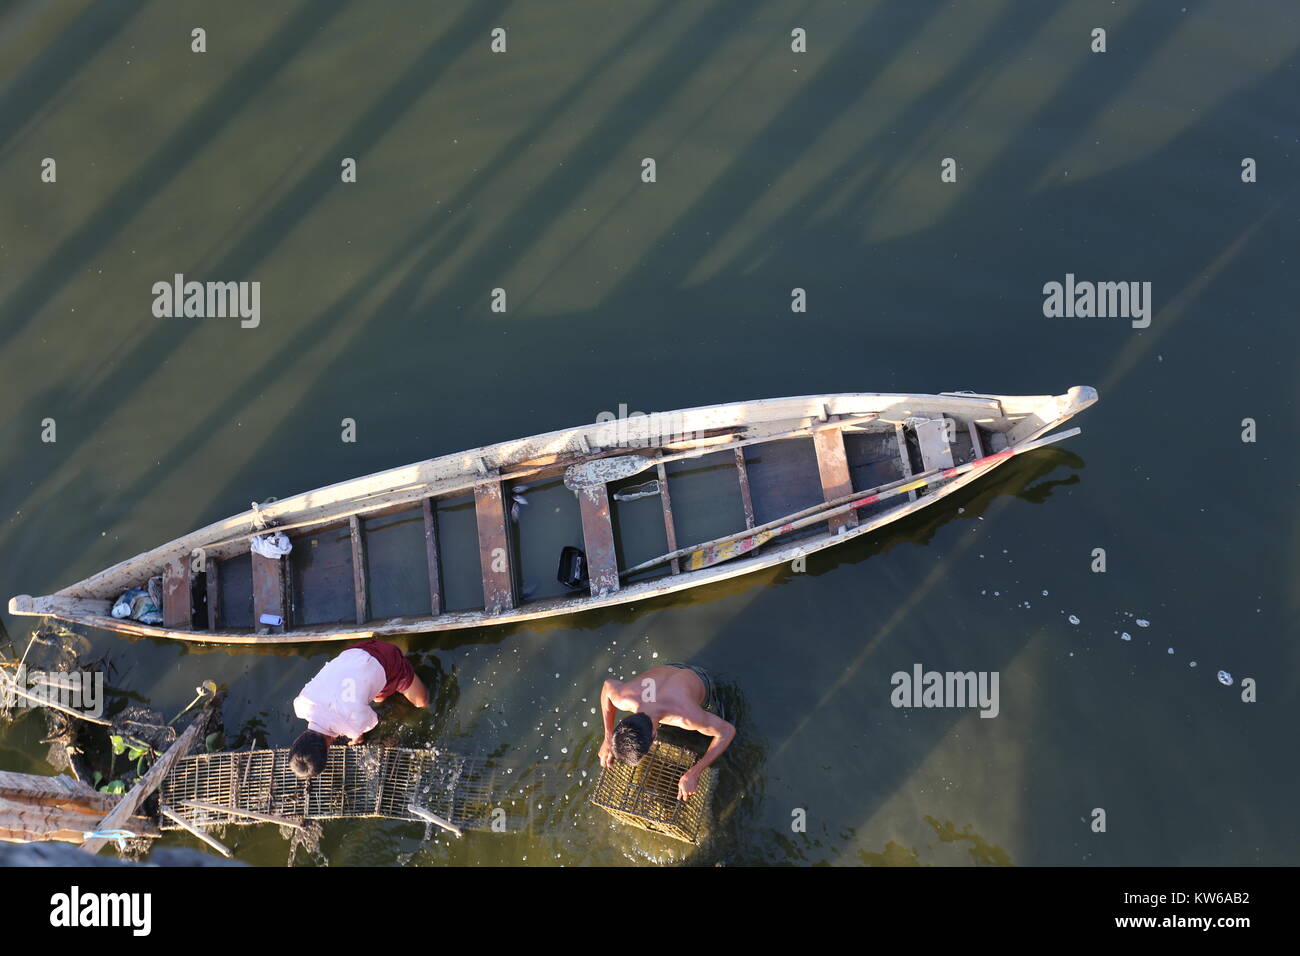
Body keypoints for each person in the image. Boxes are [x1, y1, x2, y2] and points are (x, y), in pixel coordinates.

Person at [289, 639, 430, 778]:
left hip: (386, 658)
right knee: (378, 697)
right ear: (298, 740)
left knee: (421, 702)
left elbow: (369, 721)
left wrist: (356, 738)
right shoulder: (301, 705)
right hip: (354, 652)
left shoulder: (351, 726)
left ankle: (403, 669)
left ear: (327, 749)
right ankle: (386, 684)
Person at [598, 662, 735, 800]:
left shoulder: (687, 717)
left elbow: (727, 731)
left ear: (654, 735)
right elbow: (607, 687)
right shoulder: (623, 697)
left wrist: (694, 772)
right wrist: (608, 738)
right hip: (671, 669)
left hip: (699, 678)